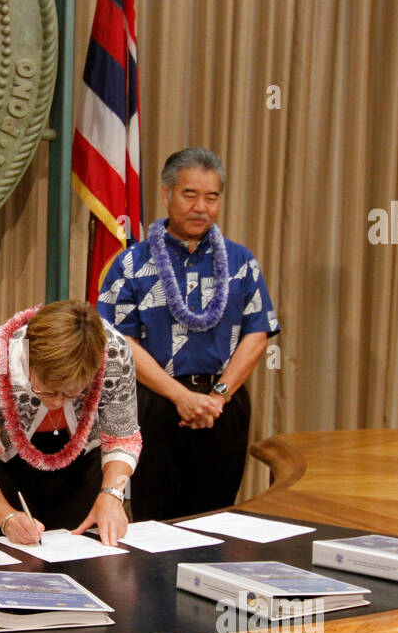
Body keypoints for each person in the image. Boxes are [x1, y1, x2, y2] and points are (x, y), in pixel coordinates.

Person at [97, 147, 279, 521]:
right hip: (154, 408)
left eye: (211, 197)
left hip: (222, 408)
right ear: (166, 194)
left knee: (216, 521)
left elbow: (257, 332)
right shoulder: (131, 263)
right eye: (190, 194)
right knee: (155, 521)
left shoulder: (241, 261)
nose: (201, 207)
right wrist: (180, 396)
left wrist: (218, 395)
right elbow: (119, 341)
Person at [0, 299, 142, 546]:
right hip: (3, 464)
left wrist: (112, 494)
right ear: (27, 358)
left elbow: (122, 437)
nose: (59, 402)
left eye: (74, 394)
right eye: (49, 392)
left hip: (81, 460)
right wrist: (7, 518)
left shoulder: (115, 352)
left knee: (81, 557)